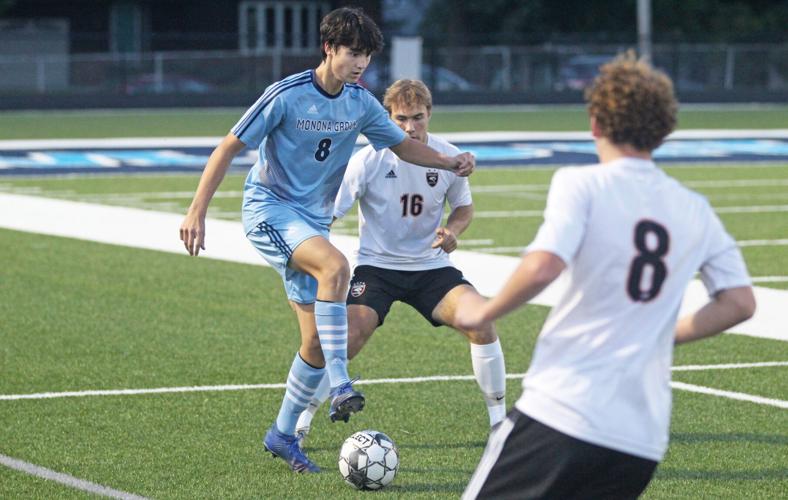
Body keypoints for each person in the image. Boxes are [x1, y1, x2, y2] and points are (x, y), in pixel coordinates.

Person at [179, 7, 475, 474]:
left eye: (367, 56)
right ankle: (341, 384)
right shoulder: (286, 95)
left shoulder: (359, 102)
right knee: (337, 268)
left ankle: (281, 434)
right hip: (270, 211)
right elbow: (228, 147)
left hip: (311, 223)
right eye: (353, 53)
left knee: (315, 342)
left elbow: (402, 145)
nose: (360, 64)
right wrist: (197, 210)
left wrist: (446, 161)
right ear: (329, 48)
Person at [457, 52, 756, 499]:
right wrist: (663, 332)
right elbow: (740, 302)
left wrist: (485, 310)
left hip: (563, 410)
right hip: (640, 440)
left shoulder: (582, 184)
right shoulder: (695, 209)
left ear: (596, 122)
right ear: (663, 128)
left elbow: (543, 265)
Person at [294, 79, 507, 443]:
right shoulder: (367, 161)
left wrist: (453, 231)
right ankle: (300, 422)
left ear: (430, 114)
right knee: (346, 339)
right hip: (377, 268)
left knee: (481, 320)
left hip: (432, 268)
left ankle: (500, 424)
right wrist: (305, 251)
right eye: (401, 119)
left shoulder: (447, 155)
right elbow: (330, 214)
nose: (410, 127)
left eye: (418, 118)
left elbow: (464, 207)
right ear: (388, 118)